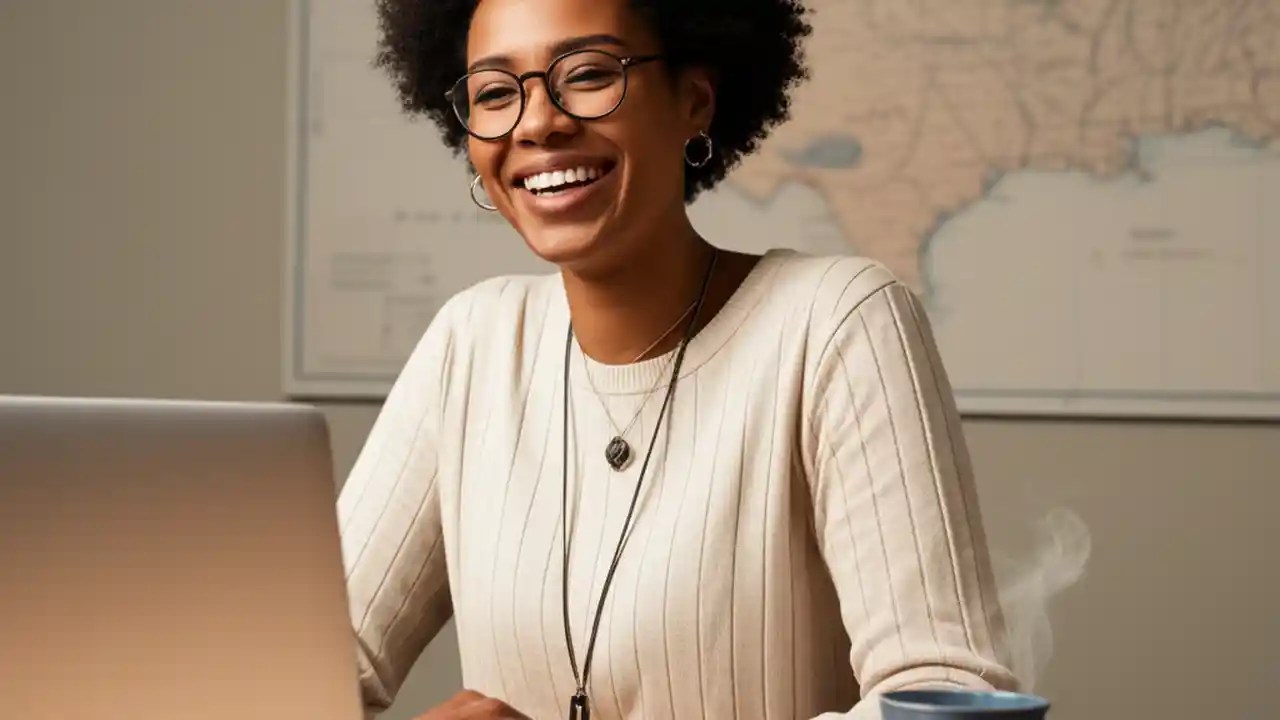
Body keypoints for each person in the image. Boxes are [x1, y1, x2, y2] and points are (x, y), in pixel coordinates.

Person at [338, 0, 1019, 718]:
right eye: (495, 93)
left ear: (693, 101)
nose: (537, 123)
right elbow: (299, 664)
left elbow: (952, 701)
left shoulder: (837, 323)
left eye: (591, 73)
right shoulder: (470, 344)